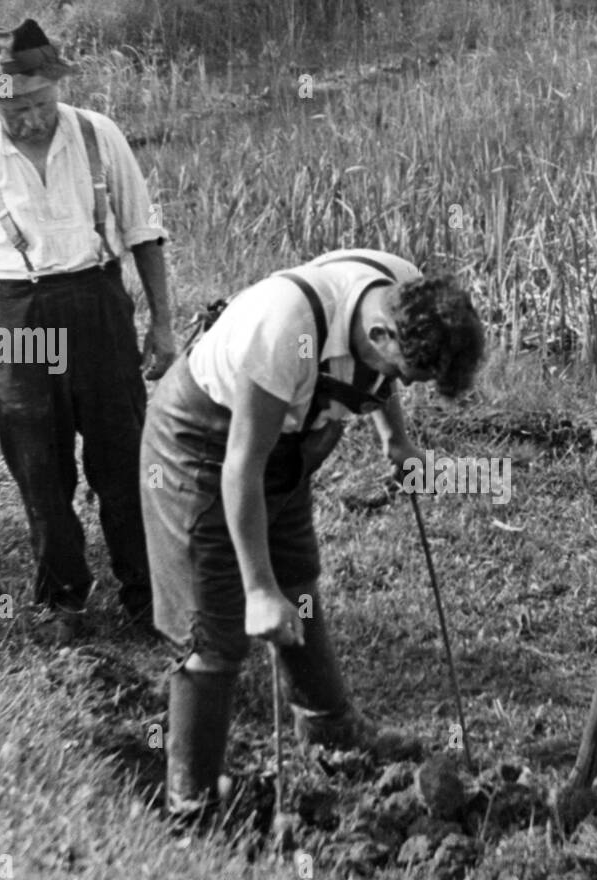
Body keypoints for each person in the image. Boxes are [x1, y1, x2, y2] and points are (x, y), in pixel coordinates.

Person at [140, 248, 484, 819]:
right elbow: (241, 469)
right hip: (204, 446)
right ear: (382, 334)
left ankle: (331, 732)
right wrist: (256, 590)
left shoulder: (402, 290)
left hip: (292, 441)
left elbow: (380, 376)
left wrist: (395, 439)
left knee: (298, 580)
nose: (401, 384)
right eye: (404, 374)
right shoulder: (283, 328)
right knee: (215, 628)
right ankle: (192, 801)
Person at [0, 18, 174, 642]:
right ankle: (63, 600)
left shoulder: (99, 135)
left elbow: (144, 233)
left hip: (96, 302)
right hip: (14, 315)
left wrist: (164, 326)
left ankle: (147, 599)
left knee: (123, 458)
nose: (29, 118)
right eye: (12, 108)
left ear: (55, 88)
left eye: (38, 102)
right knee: (38, 465)